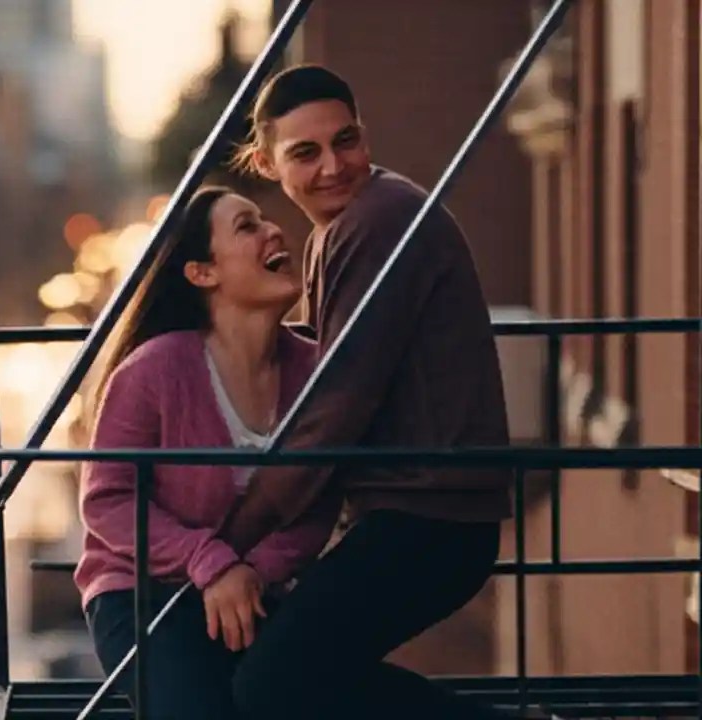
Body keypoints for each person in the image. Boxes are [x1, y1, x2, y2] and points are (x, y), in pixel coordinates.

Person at [222, 64, 513, 718]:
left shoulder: (382, 218)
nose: (333, 166)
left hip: (432, 518)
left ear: (365, 136)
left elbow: (336, 403)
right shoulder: (342, 228)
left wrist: (236, 530)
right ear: (268, 164)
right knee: (300, 676)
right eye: (306, 152)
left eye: (345, 141)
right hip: (414, 510)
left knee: (273, 683)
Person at [74, 186, 342, 718]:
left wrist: (253, 572)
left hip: (256, 589)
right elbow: (107, 500)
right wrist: (210, 563)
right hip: (141, 593)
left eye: (265, 219)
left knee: (335, 693)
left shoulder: (315, 371)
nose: (273, 231)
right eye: (247, 226)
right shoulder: (153, 370)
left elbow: (319, 499)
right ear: (202, 272)